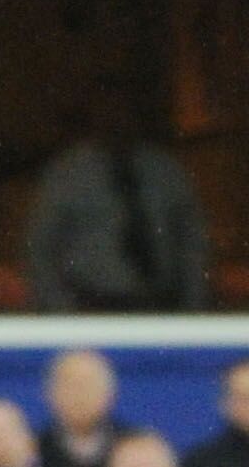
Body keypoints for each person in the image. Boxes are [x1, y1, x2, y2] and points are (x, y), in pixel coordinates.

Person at [25, 78, 209, 312]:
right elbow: (41, 248)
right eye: (108, 110)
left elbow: (192, 239)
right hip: (91, 306)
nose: (116, 118)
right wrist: (61, 310)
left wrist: (193, 304)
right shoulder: (68, 174)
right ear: (93, 115)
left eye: (124, 110)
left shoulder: (165, 171)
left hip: (157, 305)